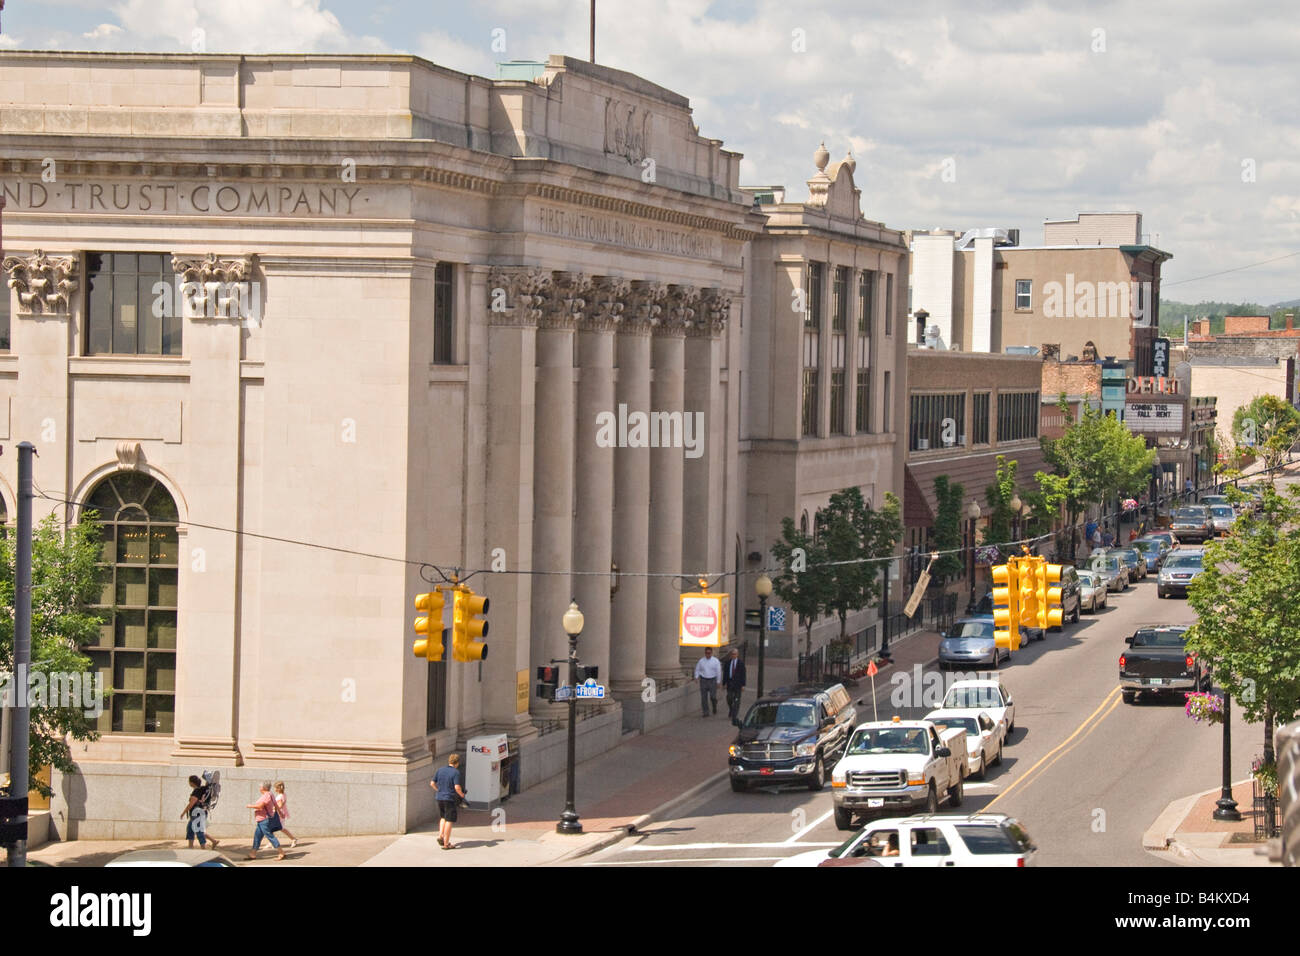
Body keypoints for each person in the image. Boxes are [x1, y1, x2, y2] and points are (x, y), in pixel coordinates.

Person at [432, 753, 467, 850]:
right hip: (449, 799)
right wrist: (462, 795)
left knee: (443, 817)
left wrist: (438, 790)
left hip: (439, 797)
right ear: (457, 763)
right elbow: (457, 787)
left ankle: (440, 836)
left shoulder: (440, 770)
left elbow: (432, 783)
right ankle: (446, 844)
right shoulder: (456, 772)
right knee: (449, 820)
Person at [246, 781, 286, 861]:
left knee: (270, 836)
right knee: (257, 836)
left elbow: (260, 806)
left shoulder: (266, 796)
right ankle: (253, 854)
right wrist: (281, 813)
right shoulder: (270, 794)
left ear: (263, 788)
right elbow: (275, 804)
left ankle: (281, 853)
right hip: (261, 820)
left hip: (264, 820)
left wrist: (250, 806)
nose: (259, 788)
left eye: (260, 787)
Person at [180, 775, 219, 850]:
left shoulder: (197, 791)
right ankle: (191, 847)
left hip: (197, 814)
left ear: (192, 783)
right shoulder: (203, 789)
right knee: (190, 829)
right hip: (200, 813)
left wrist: (184, 812)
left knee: (199, 832)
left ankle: (203, 849)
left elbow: (191, 803)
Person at [721, 648, 747, 725]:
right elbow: (725, 673)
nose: (733, 655)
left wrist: (743, 685)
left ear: (737, 655)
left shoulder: (741, 663)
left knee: (737, 700)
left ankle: (734, 715)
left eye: (735, 654)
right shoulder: (728, 663)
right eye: (732, 654)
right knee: (729, 697)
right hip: (730, 683)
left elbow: (743, 674)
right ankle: (731, 709)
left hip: (738, 684)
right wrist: (724, 683)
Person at [694, 646, 722, 717]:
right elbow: (697, 669)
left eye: (709, 653)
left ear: (711, 653)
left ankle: (714, 705)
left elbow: (718, 671)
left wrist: (718, 681)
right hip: (703, 680)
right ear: (705, 653)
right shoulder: (701, 661)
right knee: (704, 697)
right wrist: (696, 677)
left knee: (712, 696)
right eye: (706, 653)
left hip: (712, 679)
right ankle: (705, 712)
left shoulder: (716, 661)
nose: (708, 654)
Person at [272, 782, 298, 848]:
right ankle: (272, 842)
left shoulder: (280, 796)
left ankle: (293, 839)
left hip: (279, 814)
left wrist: (273, 808)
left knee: (279, 828)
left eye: (275, 787)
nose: (274, 789)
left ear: (278, 788)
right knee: (273, 828)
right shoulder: (283, 794)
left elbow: (280, 805)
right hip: (280, 813)